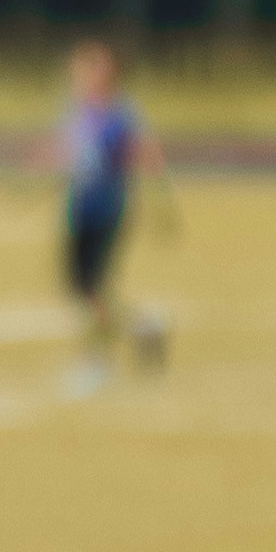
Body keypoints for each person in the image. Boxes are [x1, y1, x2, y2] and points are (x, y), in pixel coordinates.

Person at [52, 37, 169, 382]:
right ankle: (142, 327)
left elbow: (143, 152)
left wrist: (154, 187)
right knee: (81, 289)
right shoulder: (80, 111)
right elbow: (72, 154)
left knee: (95, 288)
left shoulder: (119, 114)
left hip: (106, 208)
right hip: (80, 208)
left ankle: (97, 361)